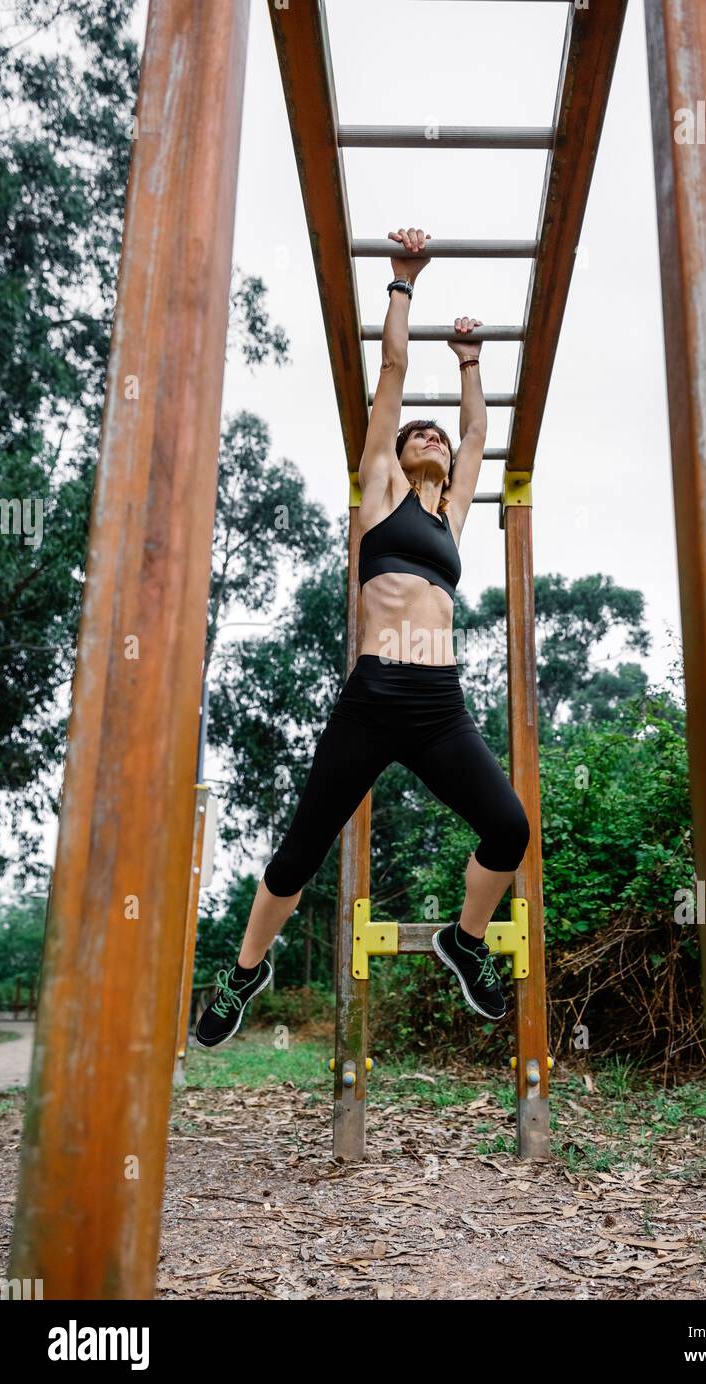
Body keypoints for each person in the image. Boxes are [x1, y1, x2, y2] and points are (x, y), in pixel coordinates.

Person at [196, 224, 530, 1048]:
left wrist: (471, 362)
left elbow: (480, 437)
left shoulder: (451, 516)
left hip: (439, 702)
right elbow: (388, 374)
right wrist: (402, 283)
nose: (431, 438)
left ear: (448, 470)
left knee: (509, 829)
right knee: (298, 853)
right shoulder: (380, 493)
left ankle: (464, 939)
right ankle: (244, 975)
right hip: (373, 694)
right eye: (420, 433)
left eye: (436, 440)